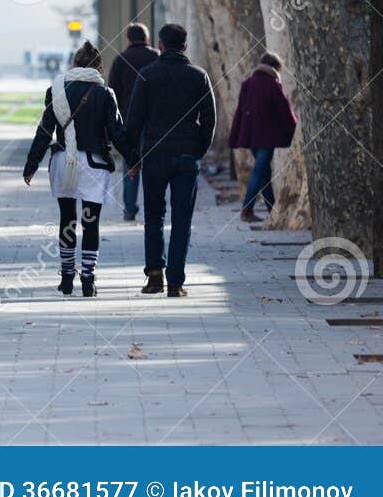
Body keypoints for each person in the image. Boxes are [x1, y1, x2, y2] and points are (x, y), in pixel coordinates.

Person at [23, 41, 128, 297]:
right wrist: (135, 160)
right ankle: (88, 279)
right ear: (98, 67)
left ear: (74, 64)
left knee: (67, 219)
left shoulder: (56, 90)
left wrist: (31, 164)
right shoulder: (105, 94)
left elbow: (44, 131)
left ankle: (67, 277)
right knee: (90, 222)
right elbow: (116, 132)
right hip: (94, 165)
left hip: (63, 162)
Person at [126, 23, 216, 297]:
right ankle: (176, 282)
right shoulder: (198, 76)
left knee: (153, 216)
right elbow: (210, 120)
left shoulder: (147, 75)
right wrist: (198, 150)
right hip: (187, 155)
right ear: (185, 46)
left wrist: (133, 157)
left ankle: (155, 276)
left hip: (155, 154)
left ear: (160, 45)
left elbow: (134, 120)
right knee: (182, 220)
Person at [228, 51, 297, 223]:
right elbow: (285, 112)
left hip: (251, 135)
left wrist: (236, 134)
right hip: (267, 136)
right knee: (260, 170)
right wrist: (292, 128)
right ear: (275, 67)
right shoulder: (273, 85)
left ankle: (272, 210)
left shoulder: (247, 84)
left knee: (264, 172)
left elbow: (239, 112)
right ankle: (247, 209)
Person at [108, 22, 160, 222]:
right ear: (147, 38)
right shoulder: (157, 57)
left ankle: (129, 208)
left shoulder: (120, 60)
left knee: (130, 163)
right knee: (154, 164)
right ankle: (153, 207)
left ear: (128, 39)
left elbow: (112, 93)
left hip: (128, 120)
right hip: (154, 120)